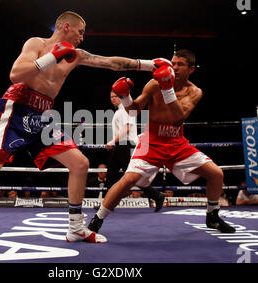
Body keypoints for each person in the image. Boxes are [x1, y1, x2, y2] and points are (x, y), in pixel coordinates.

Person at [0, 11, 165, 260]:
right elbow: (16, 74)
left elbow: (109, 62)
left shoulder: (75, 55)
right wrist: (51, 57)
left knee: (80, 163)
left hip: (42, 116)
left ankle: (75, 229)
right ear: (66, 27)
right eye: (80, 31)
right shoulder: (36, 44)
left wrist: (149, 65)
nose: (82, 37)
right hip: (17, 108)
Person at [88, 49, 236, 237]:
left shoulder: (195, 91)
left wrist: (167, 89)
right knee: (128, 180)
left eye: (179, 64)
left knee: (216, 174)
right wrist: (125, 96)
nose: (173, 67)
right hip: (152, 141)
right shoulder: (154, 84)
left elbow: (178, 117)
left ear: (191, 69)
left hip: (177, 142)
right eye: (172, 63)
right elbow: (134, 111)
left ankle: (212, 216)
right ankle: (97, 220)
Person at [105, 90, 165, 210]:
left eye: (115, 96)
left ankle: (157, 195)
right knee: (111, 174)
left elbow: (127, 129)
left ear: (122, 97)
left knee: (132, 176)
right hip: (121, 146)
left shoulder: (125, 110)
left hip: (126, 146)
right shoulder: (120, 111)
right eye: (111, 96)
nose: (113, 99)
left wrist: (112, 141)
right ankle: (107, 204)